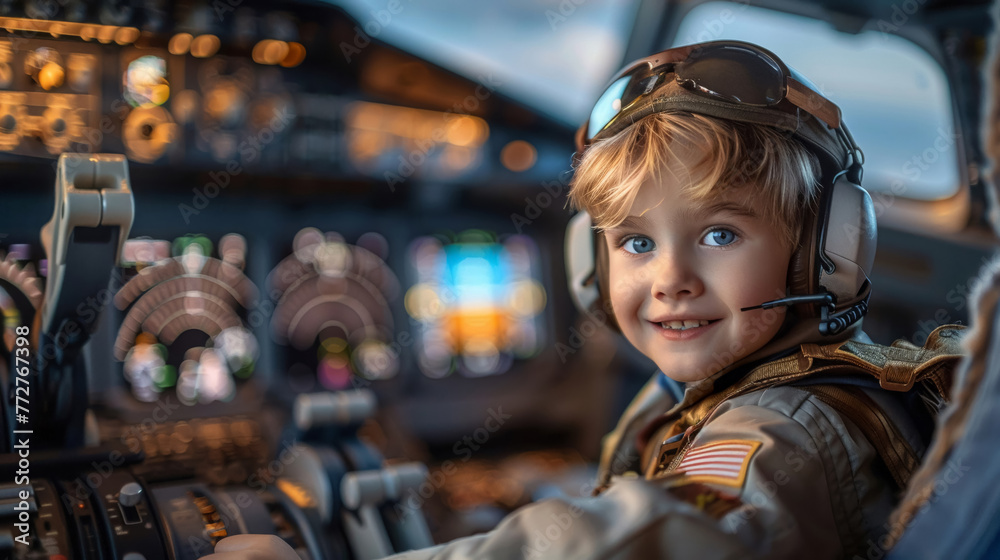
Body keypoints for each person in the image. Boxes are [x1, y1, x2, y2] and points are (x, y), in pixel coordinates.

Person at [199, 40, 965, 560]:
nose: (670, 279)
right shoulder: (705, 391)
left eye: (720, 236)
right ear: (588, 264)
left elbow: (657, 537)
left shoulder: (789, 424)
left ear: (826, 250)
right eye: (635, 243)